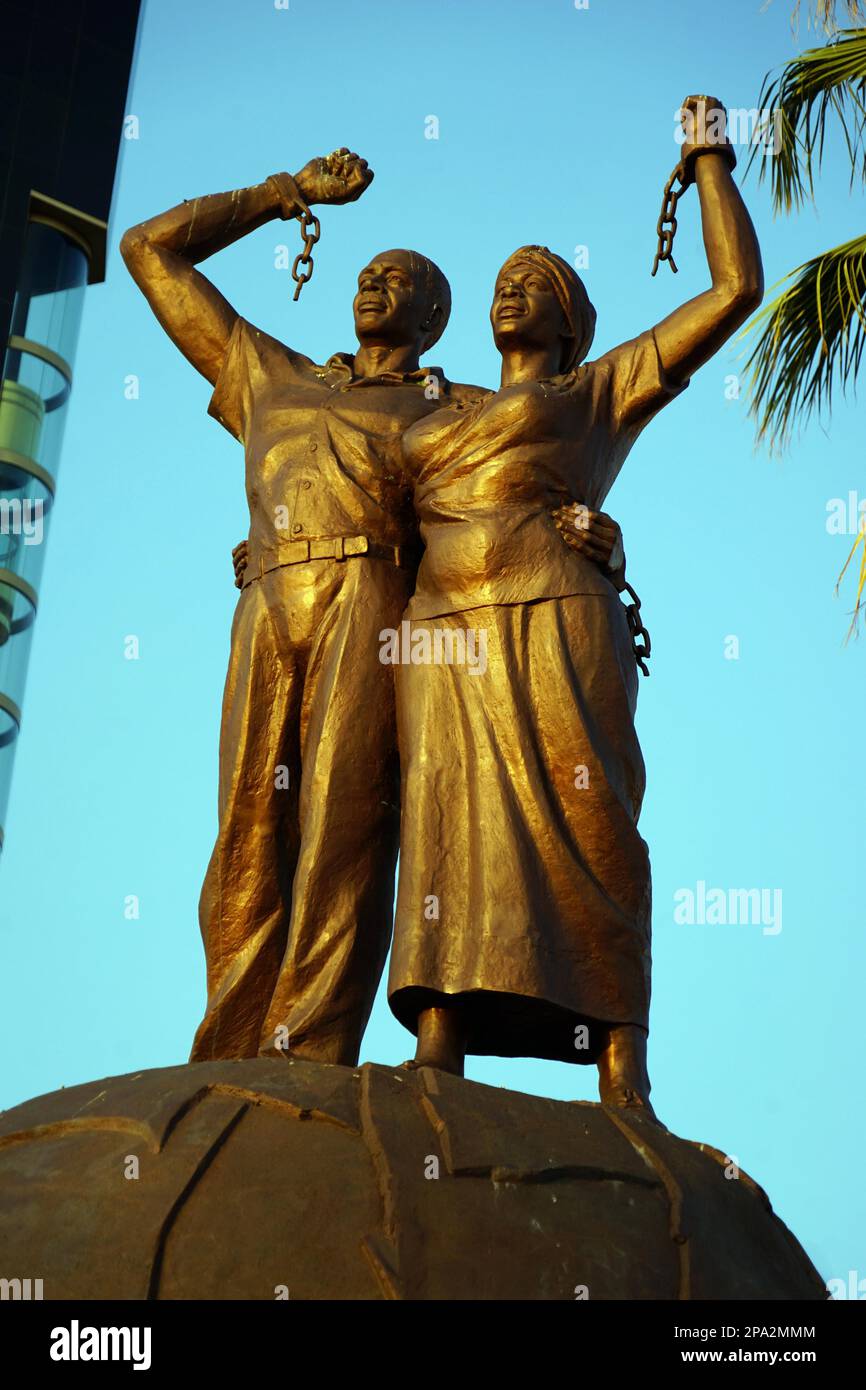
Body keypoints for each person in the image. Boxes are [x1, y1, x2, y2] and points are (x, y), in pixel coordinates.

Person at [121, 148, 625, 1067]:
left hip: (378, 599)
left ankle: (309, 1049)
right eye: (363, 274)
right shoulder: (270, 375)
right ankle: (230, 1044)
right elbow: (149, 250)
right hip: (269, 597)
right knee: (246, 824)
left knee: (344, 825)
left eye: (398, 279)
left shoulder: (452, 410)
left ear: (437, 317)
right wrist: (286, 196)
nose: (373, 285)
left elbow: (529, 477)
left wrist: (596, 536)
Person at [387, 97, 763, 1117]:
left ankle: (620, 1067)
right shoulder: (433, 405)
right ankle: (439, 1039)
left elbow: (733, 290)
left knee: (588, 821)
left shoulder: (593, 394)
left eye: (534, 286)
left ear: (569, 321)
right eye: (502, 284)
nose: (510, 293)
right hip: (438, 631)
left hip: (554, 616)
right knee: (448, 824)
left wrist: (709, 162)